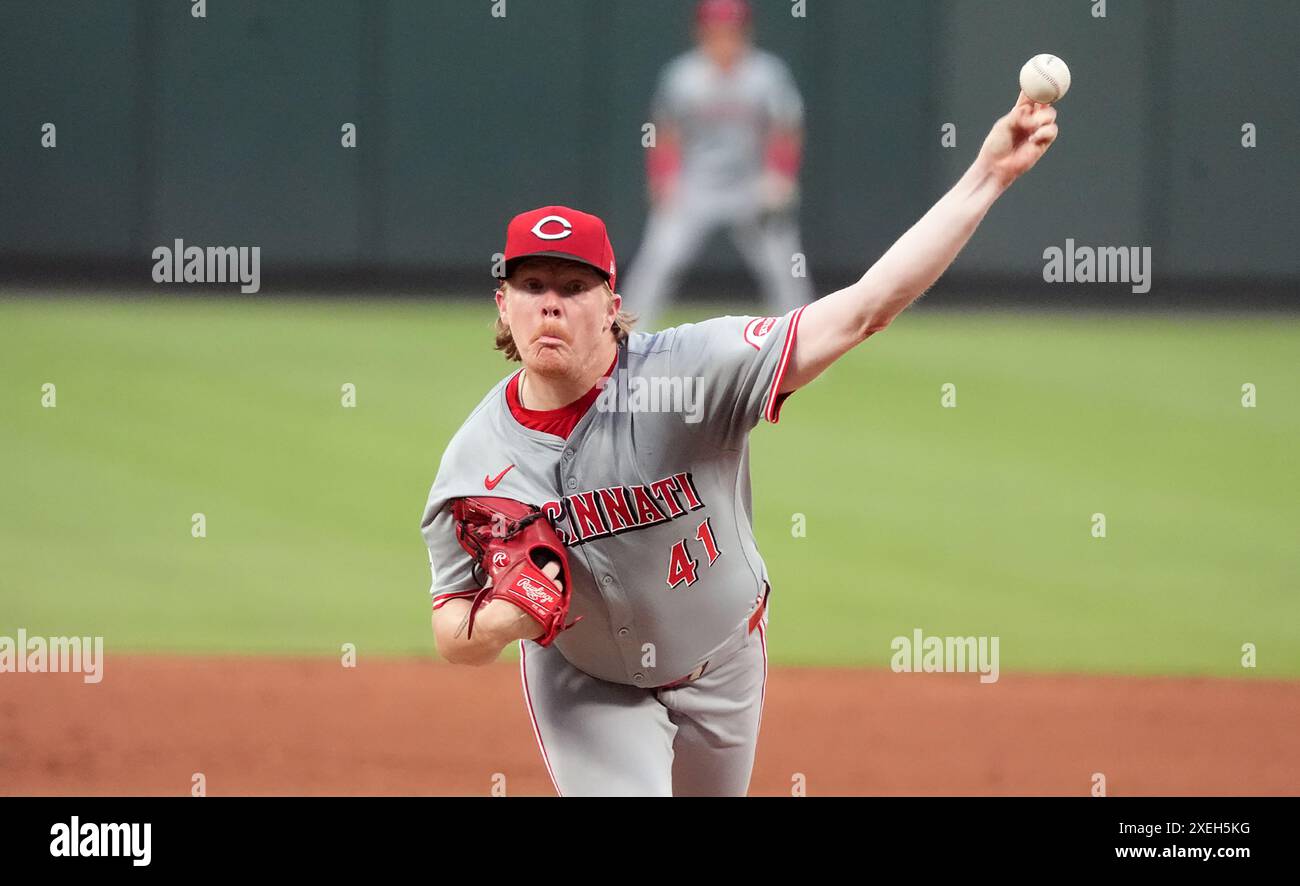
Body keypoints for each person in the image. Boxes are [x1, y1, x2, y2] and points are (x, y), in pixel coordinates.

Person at [419, 92, 1059, 796]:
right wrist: (506, 616)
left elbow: (864, 309)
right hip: (586, 684)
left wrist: (988, 175)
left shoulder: (695, 371)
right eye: (531, 284)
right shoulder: (477, 461)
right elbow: (453, 627)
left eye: (573, 287)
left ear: (611, 302)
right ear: (502, 304)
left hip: (723, 660)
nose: (550, 303)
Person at [621, 0, 813, 330]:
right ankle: (623, 339)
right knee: (658, 259)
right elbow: (664, 132)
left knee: (784, 265)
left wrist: (779, 175)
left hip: (751, 185)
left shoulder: (766, 74)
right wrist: (664, 178)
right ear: (701, 32)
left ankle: (808, 341)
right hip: (696, 185)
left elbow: (787, 129)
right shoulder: (683, 76)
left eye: (732, 31)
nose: (724, 38)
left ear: (745, 32)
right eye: (716, 30)